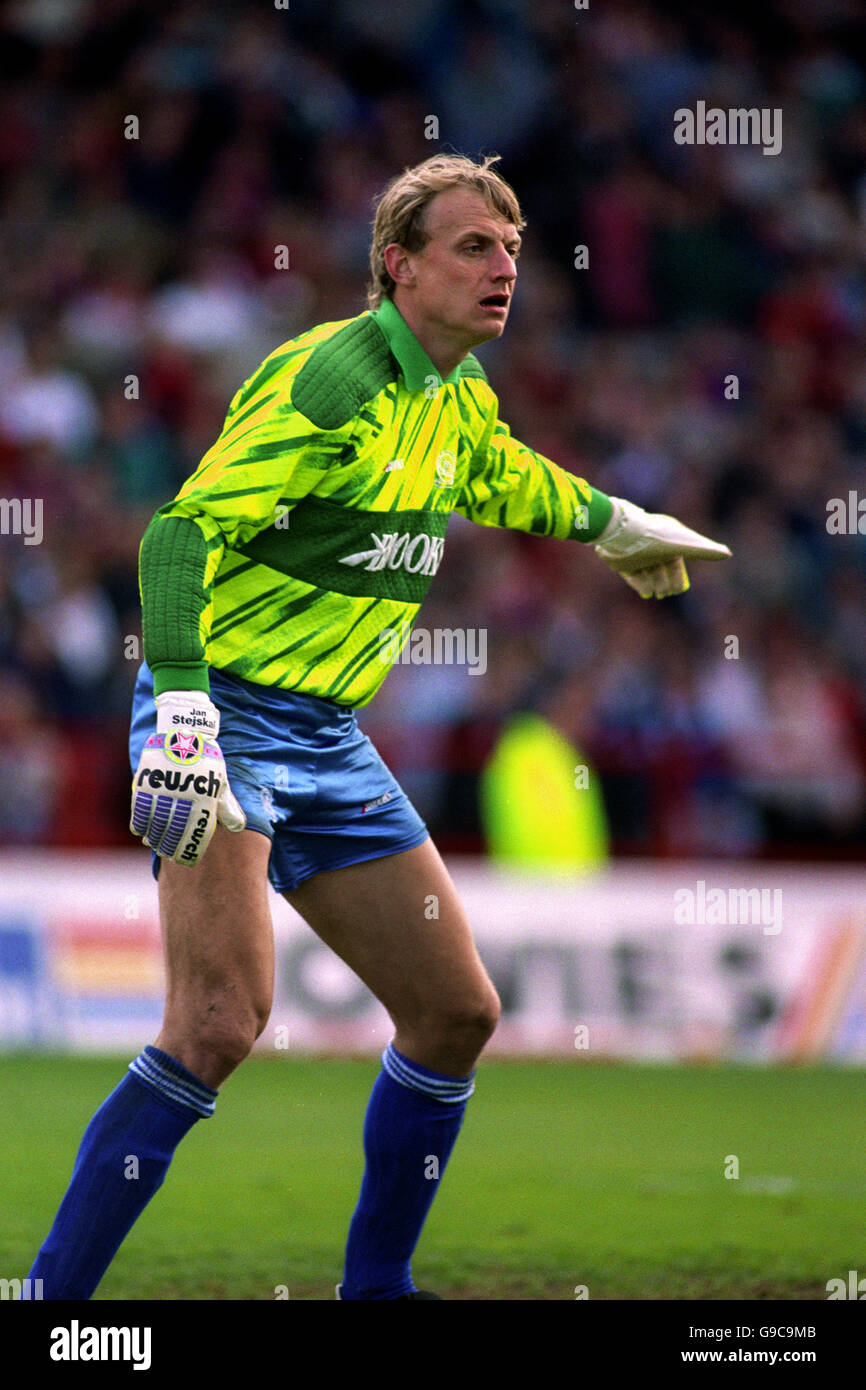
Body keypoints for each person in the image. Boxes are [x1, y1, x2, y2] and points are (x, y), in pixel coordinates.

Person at [27, 153, 729, 1300]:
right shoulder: (331, 379)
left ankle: (376, 1291)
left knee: (454, 1011)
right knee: (216, 1022)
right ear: (397, 268)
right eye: (472, 248)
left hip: (326, 735)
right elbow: (173, 538)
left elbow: (497, 474)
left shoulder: (454, 397)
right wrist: (186, 709)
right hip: (226, 716)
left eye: (511, 250)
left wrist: (617, 524)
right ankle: (50, 1306)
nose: (502, 269)